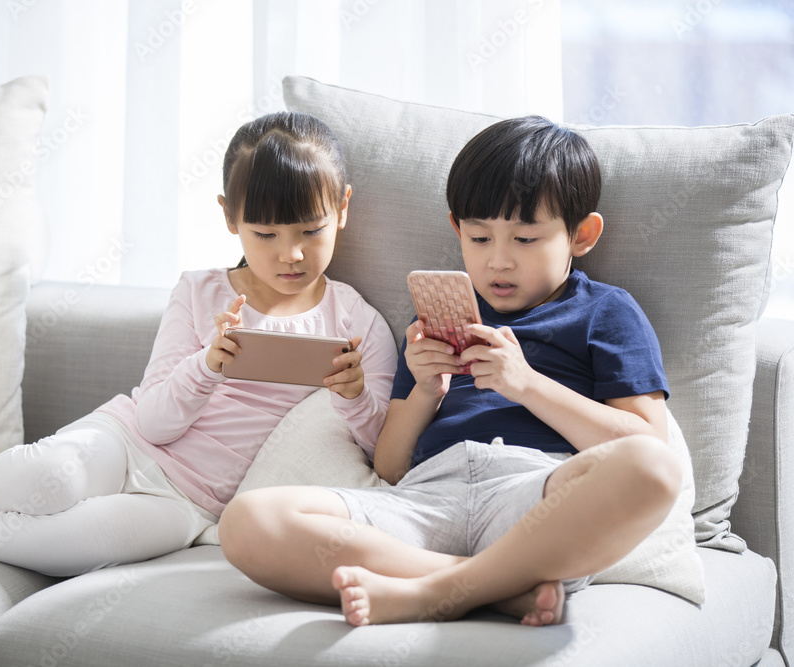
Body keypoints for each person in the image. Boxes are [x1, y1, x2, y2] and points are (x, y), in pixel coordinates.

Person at [0, 111, 399, 577]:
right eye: (265, 234)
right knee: (51, 480)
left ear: (341, 209)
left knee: (79, 543)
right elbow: (157, 420)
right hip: (128, 440)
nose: (289, 254)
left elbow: (379, 449)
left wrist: (350, 398)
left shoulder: (359, 323)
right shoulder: (199, 293)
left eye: (310, 231)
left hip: (190, 504)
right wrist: (208, 366)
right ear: (229, 218)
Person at [217, 116, 682, 627]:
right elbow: (391, 469)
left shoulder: (608, 313)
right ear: (456, 229)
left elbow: (647, 442)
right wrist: (423, 392)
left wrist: (525, 384)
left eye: (525, 240)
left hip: (535, 498)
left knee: (651, 469)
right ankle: (492, 587)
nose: (498, 261)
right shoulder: (431, 321)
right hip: (425, 499)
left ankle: (433, 592)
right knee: (247, 522)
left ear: (581, 235)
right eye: (479, 238)